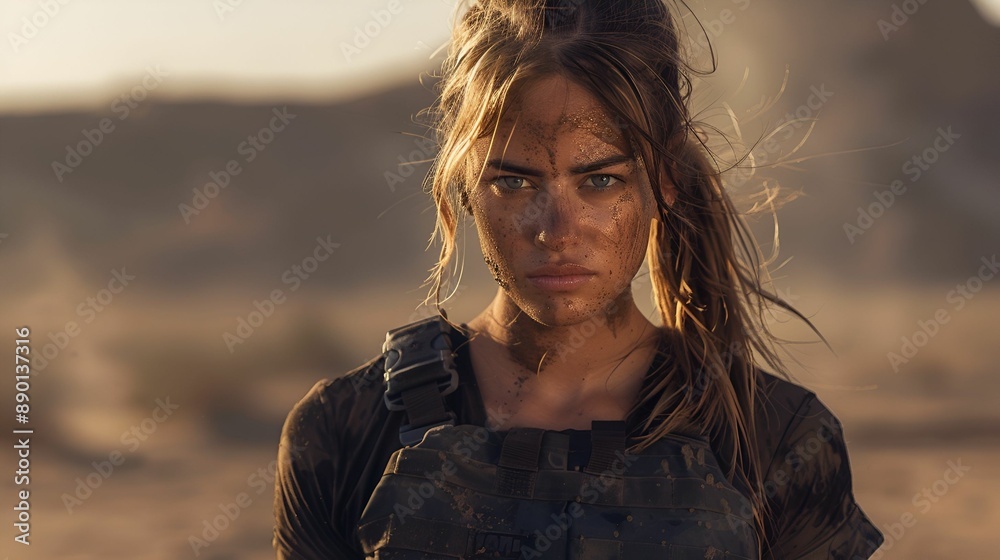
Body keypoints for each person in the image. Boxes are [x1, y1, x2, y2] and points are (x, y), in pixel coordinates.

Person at [272, 1, 885, 558]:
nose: (557, 230)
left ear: (663, 179)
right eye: (513, 183)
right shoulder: (344, 430)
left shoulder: (776, 438)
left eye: (599, 181)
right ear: (462, 184)